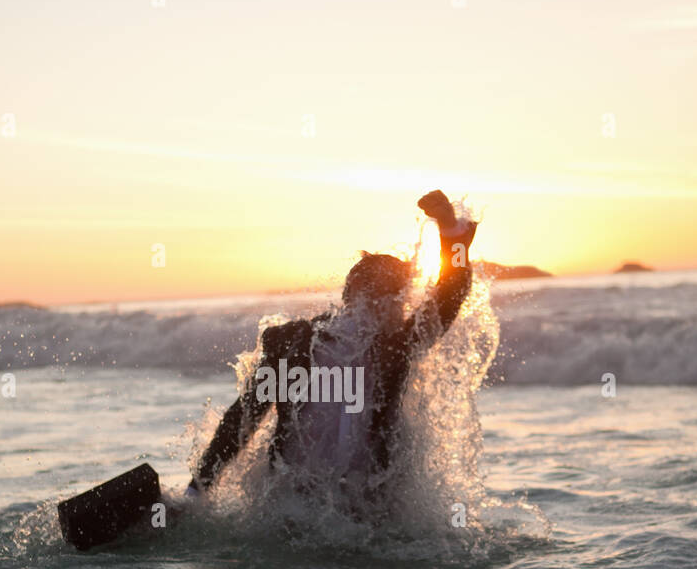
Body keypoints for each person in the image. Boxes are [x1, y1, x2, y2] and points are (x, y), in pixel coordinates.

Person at [186, 189, 478, 513]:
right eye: (389, 296)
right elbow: (244, 417)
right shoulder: (293, 342)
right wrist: (196, 491)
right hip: (291, 504)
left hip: (369, 508)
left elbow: (449, 296)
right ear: (352, 294)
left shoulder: (396, 346)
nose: (396, 306)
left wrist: (450, 231)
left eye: (398, 297)